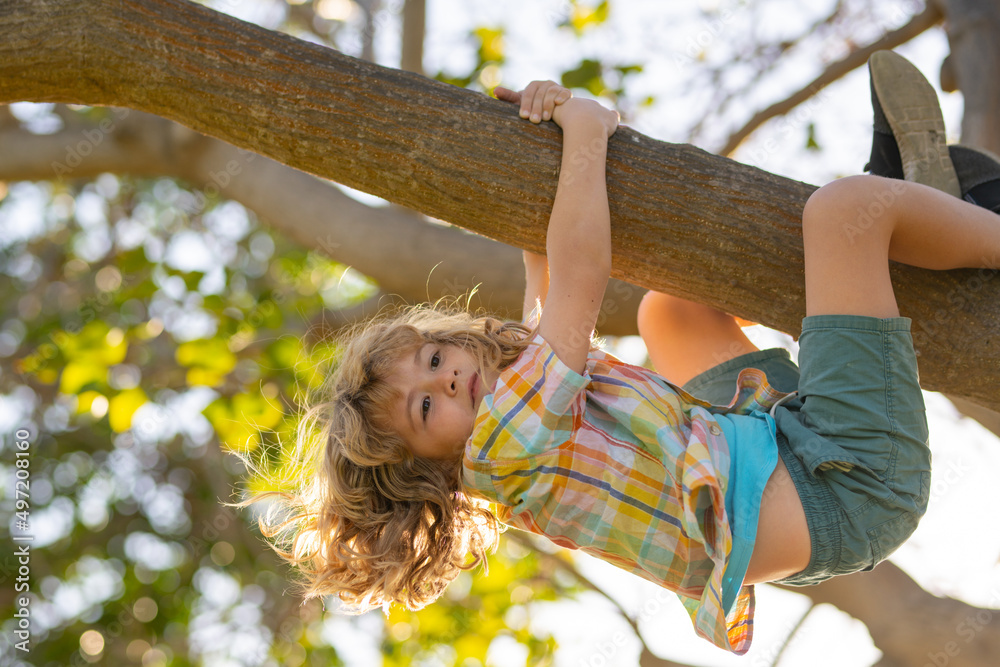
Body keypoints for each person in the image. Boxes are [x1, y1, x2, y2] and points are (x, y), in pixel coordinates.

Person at [242, 51, 1000, 654]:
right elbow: (577, 274)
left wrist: (529, 166)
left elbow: (545, 300)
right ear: (429, 471)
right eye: (427, 404)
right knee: (839, 215)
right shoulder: (507, 442)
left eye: (436, 358)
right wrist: (587, 130)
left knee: (669, 309)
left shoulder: (519, 438)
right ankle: (900, 230)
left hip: (783, 450)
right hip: (851, 478)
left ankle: (893, 249)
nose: (452, 377)